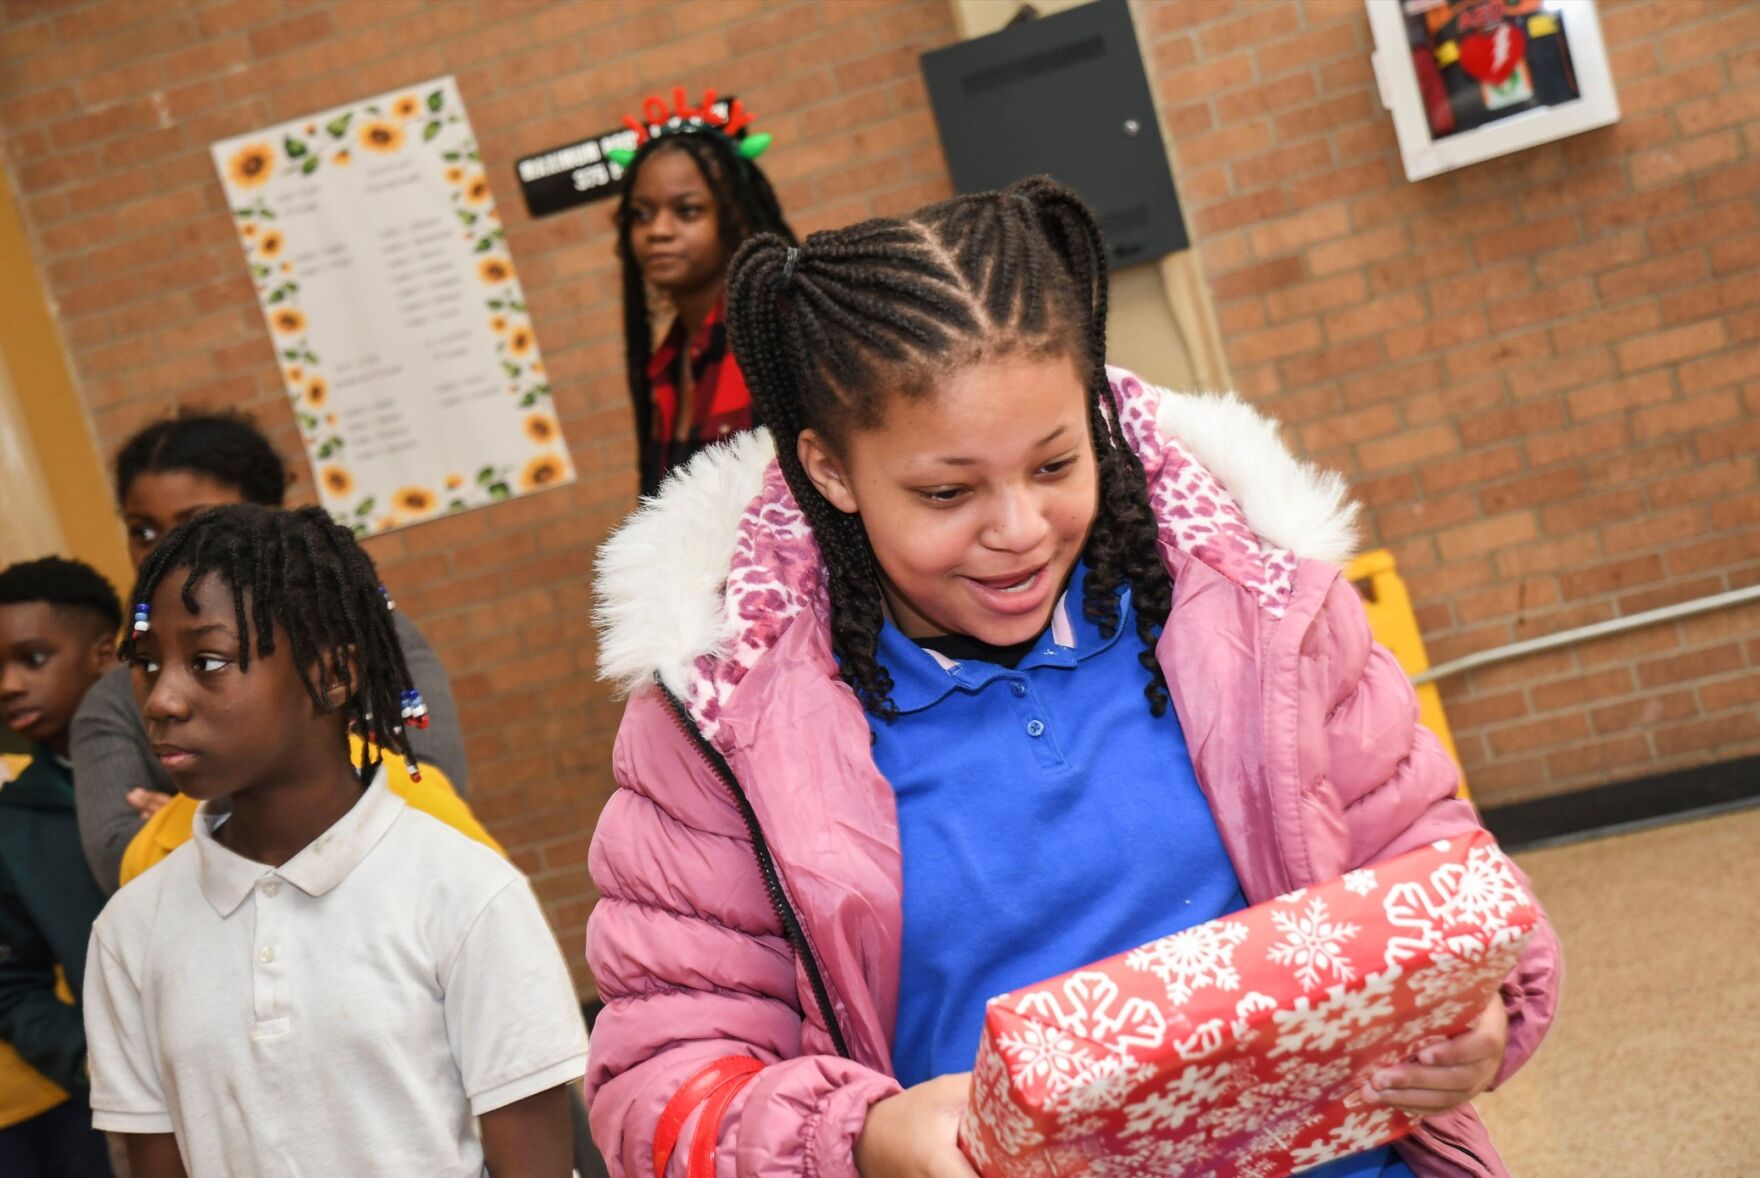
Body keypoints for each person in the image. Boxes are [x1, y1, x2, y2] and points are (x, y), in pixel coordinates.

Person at [583, 178, 1561, 1177]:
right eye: (946, 490)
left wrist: (1472, 1006)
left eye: (1053, 465)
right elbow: (661, 1086)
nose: (1017, 530)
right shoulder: (724, 721)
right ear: (831, 470)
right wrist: (862, 1138)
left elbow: (1434, 872)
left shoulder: (1256, 611)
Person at [83, 504, 587, 1178]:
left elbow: (535, 1161)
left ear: (331, 674)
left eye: (207, 660)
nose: (161, 699)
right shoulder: (130, 932)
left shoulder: (464, 891)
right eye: (147, 664)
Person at [72, 410, 469, 894]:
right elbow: (120, 858)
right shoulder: (114, 699)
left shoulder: (375, 638)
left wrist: (193, 816)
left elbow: (427, 786)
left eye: (197, 522)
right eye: (143, 531)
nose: (162, 550)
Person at [0, 557, 121, 1177]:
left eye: (33, 659)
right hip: (142, 1110)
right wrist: (94, 1061)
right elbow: (11, 980)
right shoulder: (15, 818)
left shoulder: (190, 767)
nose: (9, 684)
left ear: (104, 654)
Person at [613, 92, 795, 495]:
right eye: (641, 214)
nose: (657, 230)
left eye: (687, 210)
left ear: (736, 216)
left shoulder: (778, 331)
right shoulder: (667, 359)